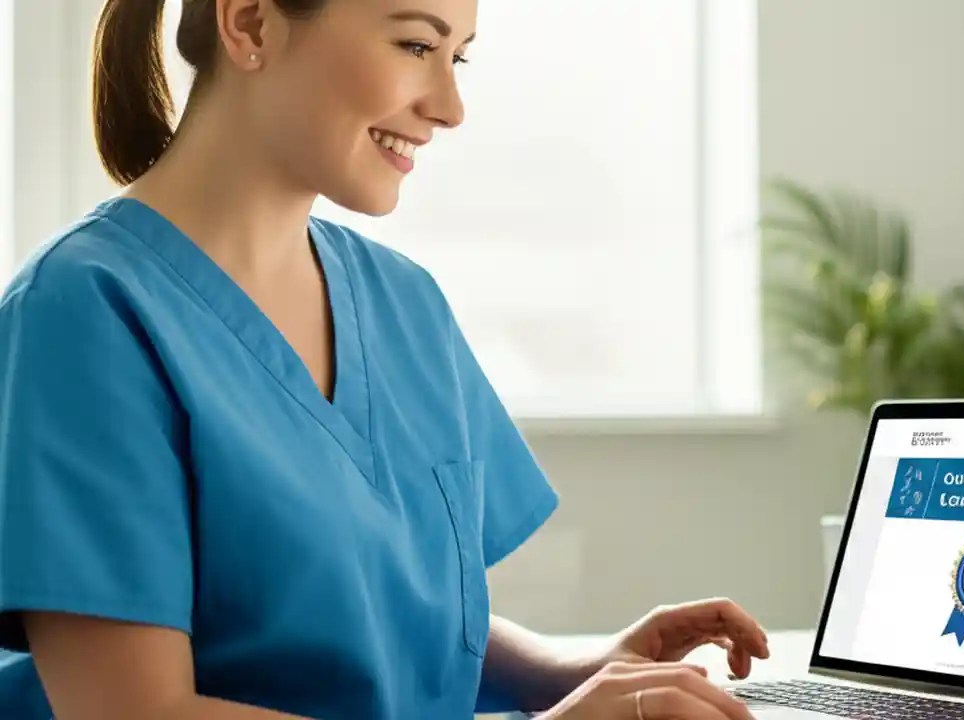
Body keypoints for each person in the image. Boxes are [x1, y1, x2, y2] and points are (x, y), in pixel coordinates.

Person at [0, 0, 770, 717]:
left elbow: (391, 621)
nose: (449, 107)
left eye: (458, 59)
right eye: (416, 45)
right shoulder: (86, 310)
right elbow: (133, 711)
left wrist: (573, 670)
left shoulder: (405, 302)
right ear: (252, 25)